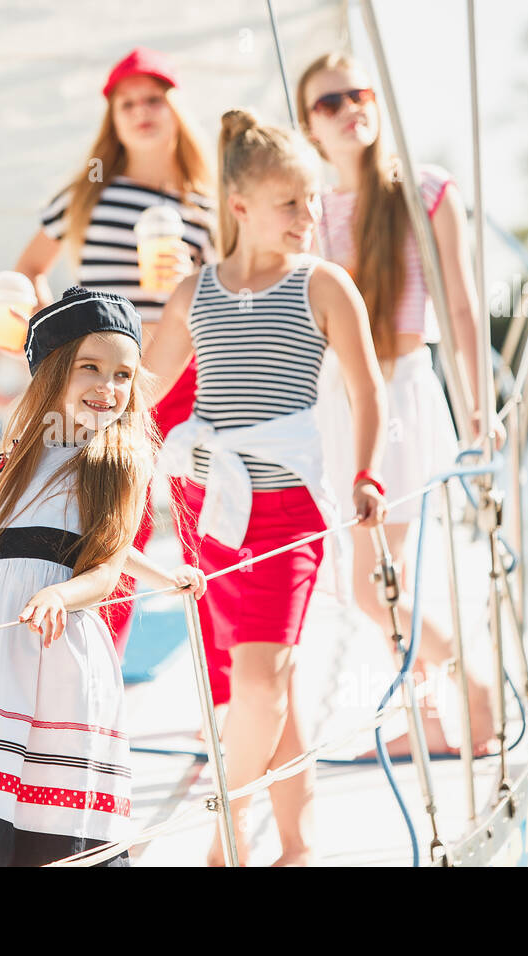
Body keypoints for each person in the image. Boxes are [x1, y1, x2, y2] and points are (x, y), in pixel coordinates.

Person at [142, 110, 388, 865]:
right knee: (260, 687)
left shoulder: (326, 285)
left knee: (257, 682)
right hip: (208, 510)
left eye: (312, 201)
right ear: (240, 207)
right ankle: (297, 844)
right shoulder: (194, 294)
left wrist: (366, 473)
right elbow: (143, 389)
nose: (308, 217)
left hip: (286, 513)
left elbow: (367, 390)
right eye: (290, 204)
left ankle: (225, 842)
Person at [0, 286, 206, 867]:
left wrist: (61, 593)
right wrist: (162, 571)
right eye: (90, 367)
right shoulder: (20, 451)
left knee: (50, 817)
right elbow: (58, 536)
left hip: (57, 645)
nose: (107, 388)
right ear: (55, 370)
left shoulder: (119, 461)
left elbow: (104, 566)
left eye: (122, 374)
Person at [298, 51, 501, 755]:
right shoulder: (310, 211)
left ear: (376, 100)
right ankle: (434, 723)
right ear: (310, 127)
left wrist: (479, 408)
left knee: (370, 582)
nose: (348, 108)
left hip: (406, 393)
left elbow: (464, 310)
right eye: (329, 103)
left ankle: (472, 691)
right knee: (373, 578)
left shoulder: (428, 191)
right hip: (339, 398)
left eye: (357, 94)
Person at [13, 47, 218, 654]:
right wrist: (57, 342)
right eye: (127, 103)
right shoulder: (85, 194)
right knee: (115, 520)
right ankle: (100, 666)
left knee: (199, 524)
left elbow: (225, 298)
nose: (141, 112)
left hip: (184, 377)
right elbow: (29, 270)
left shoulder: (206, 207)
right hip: (109, 383)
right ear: (113, 117)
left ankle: (222, 694)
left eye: (153, 98)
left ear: (176, 108)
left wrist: (191, 273)